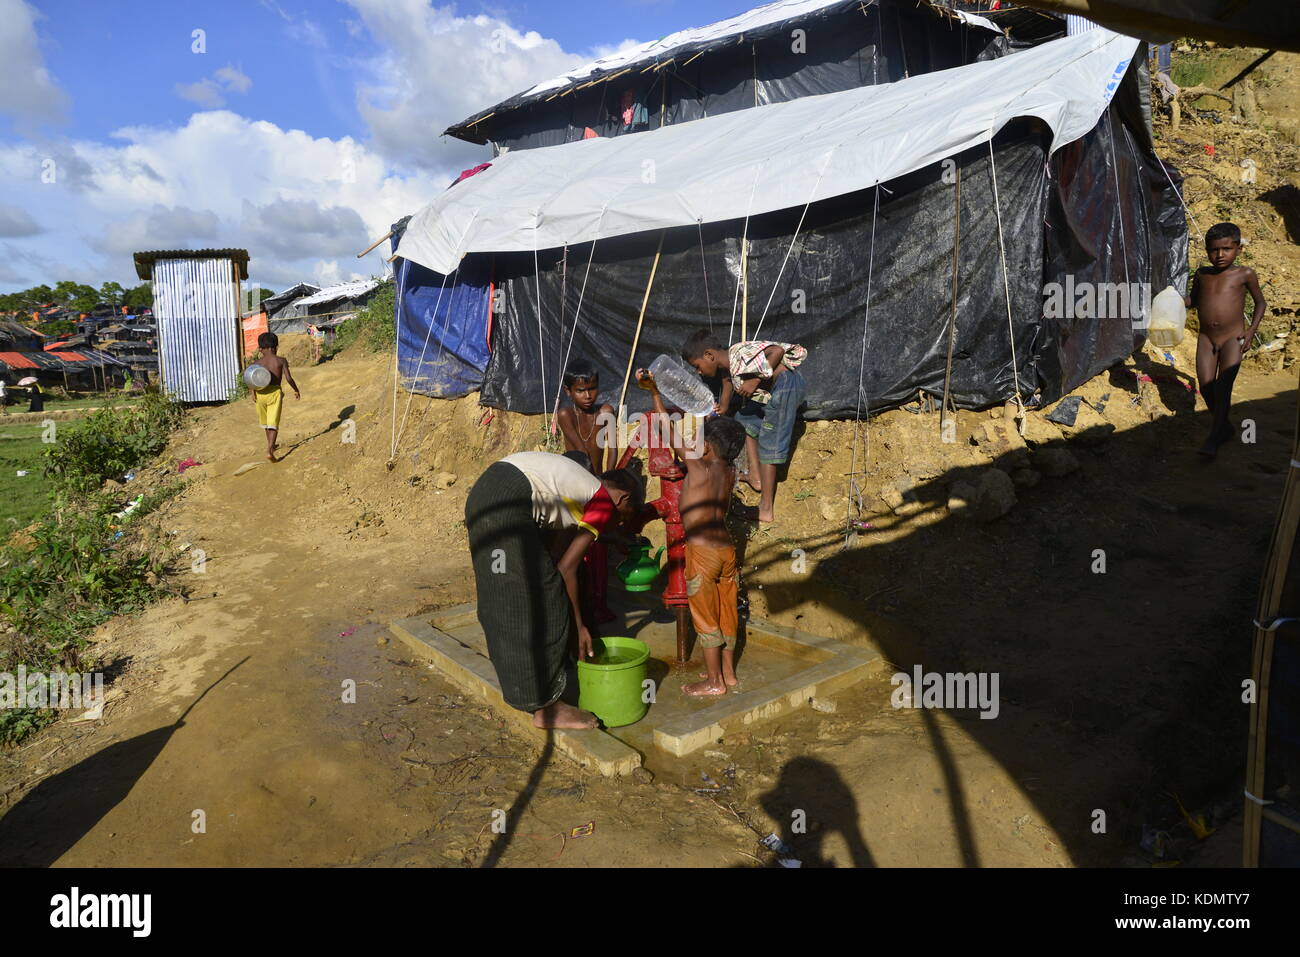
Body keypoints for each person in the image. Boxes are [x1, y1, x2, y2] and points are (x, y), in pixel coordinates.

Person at [464, 451, 643, 729]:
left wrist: (611, 537)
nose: (618, 523)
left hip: (487, 494)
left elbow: (556, 557)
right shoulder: (603, 502)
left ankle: (522, 681)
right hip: (508, 501)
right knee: (546, 599)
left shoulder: (576, 491)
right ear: (624, 499)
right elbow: (566, 570)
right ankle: (548, 708)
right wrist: (580, 625)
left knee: (504, 591)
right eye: (624, 518)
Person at [638, 367, 747, 695]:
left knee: (705, 617)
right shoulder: (728, 472)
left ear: (709, 447)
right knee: (728, 611)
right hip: (727, 552)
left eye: (701, 440)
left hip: (701, 553)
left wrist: (654, 391)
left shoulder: (697, 466)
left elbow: (665, 426)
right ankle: (728, 673)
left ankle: (714, 683)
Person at [680, 330, 808, 522]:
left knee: (768, 442)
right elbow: (726, 380)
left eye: (697, 366)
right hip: (774, 390)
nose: (699, 372)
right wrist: (722, 407)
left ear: (709, 355)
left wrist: (755, 380)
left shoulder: (739, 353)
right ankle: (755, 477)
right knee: (744, 420)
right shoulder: (727, 366)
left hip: (786, 386)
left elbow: (777, 351)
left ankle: (765, 510)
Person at [1184, 222, 1266, 458]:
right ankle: (1226, 427)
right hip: (1207, 338)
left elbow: (1260, 302)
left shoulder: (1245, 274)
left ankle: (1214, 438)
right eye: (1213, 250)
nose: (1219, 255)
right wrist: (1178, 300)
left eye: (1226, 249)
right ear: (1207, 250)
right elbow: (1196, 301)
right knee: (1206, 387)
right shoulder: (1202, 274)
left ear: (1238, 249)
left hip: (1234, 338)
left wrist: (1251, 331)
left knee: (1224, 386)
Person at [556, 359, 618, 624]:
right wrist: (594, 485)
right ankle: (576, 601)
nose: (587, 395)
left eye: (592, 388)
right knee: (575, 546)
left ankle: (599, 602)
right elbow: (579, 452)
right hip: (573, 485)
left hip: (598, 483)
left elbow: (612, 449)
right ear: (569, 392)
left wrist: (608, 479)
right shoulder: (565, 415)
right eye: (580, 390)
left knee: (599, 548)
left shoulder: (605, 412)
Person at [250, 332, 301, 462]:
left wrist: (252, 392)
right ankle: (269, 450)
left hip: (260, 394)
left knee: (267, 423)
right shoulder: (281, 361)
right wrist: (296, 390)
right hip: (274, 394)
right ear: (276, 346)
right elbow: (288, 378)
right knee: (273, 424)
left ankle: (270, 446)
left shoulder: (257, 362)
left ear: (260, 348)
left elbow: (250, 378)